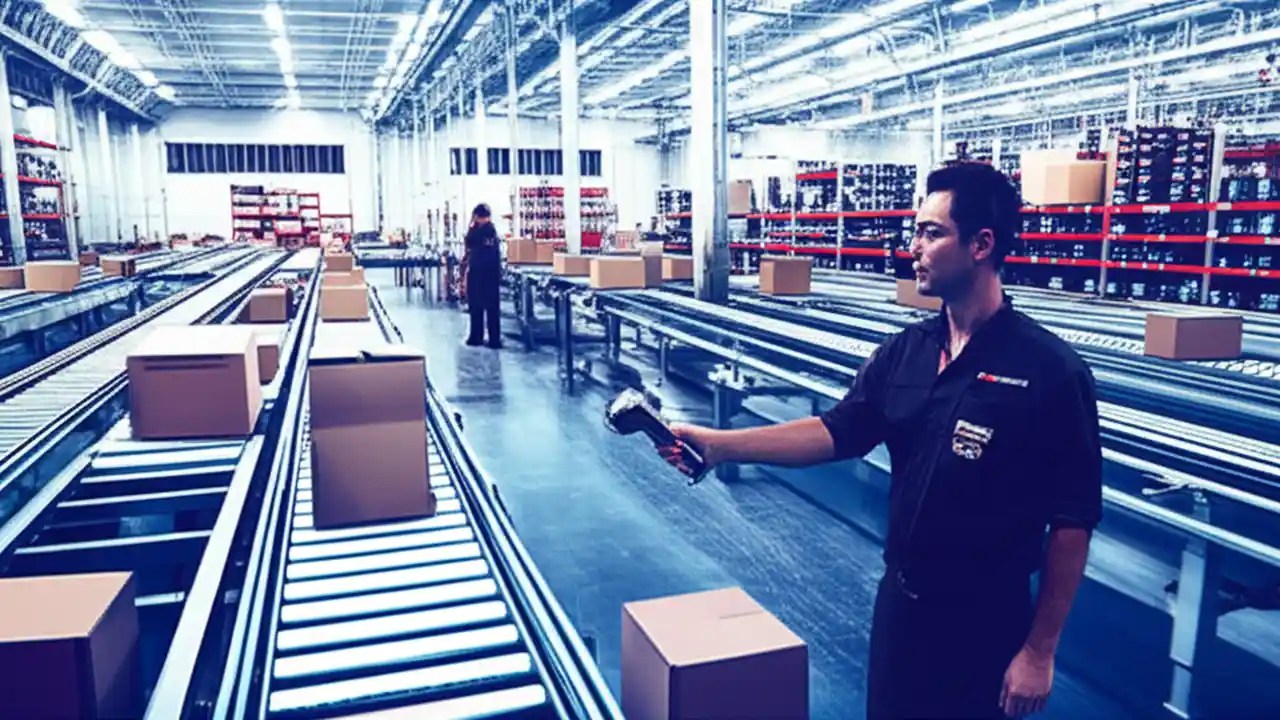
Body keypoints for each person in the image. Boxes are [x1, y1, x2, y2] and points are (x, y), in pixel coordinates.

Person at [658, 162, 1102, 720]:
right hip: (904, 609)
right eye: (916, 230)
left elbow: (1072, 521)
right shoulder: (906, 352)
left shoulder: (1050, 372)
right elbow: (838, 432)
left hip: (986, 625)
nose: (913, 246)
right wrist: (720, 444)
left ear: (982, 244)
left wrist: (1039, 651)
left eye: (931, 232)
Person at [461, 203, 502, 348]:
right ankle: (479, 337)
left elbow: (471, 244)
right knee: (477, 307)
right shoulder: (482, 230)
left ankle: (491, 339)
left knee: (489, 308)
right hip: (481, 273)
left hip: (485, 274)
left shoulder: (488, 231)